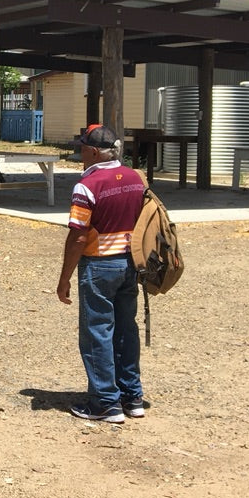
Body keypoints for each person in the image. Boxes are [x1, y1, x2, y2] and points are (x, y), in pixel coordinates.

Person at [55, 124, 147, 424]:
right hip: (130, 264)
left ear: (94, 152)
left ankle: (105, 402)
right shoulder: (136, 178)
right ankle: (132, 396)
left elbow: (78, 236)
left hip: (99, 265)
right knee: (125, 330)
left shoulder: (87, 186)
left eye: (82, 148)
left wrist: (64, 276)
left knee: (98, 332)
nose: (80, 153)